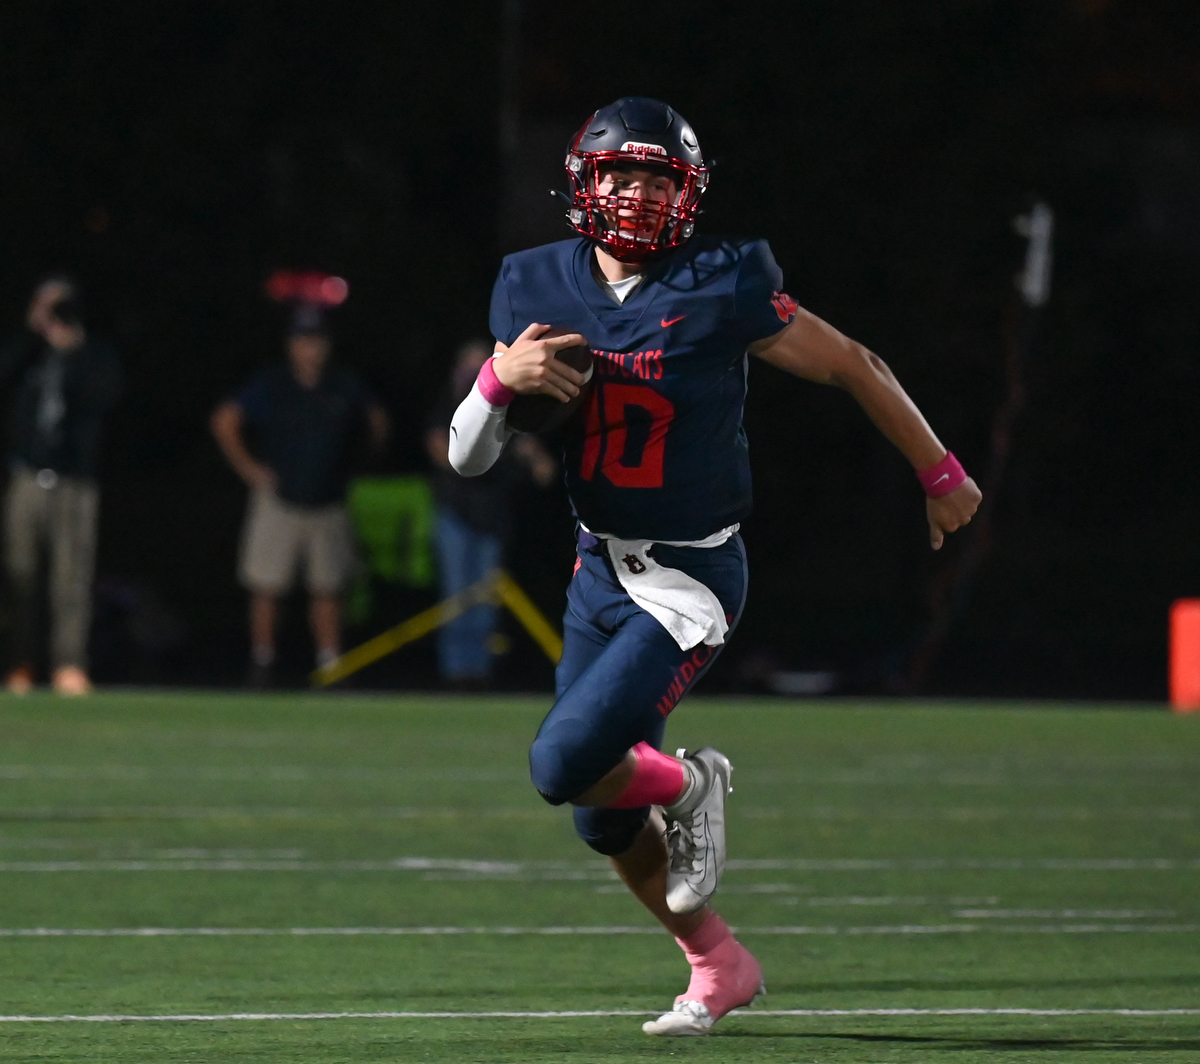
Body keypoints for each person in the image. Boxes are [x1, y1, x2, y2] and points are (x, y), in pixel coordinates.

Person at [448, 98, 983, 1036]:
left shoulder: (722, 280)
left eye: (658, 176)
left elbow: (853, 361)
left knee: (562, 761)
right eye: (621, 173)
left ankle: (693, 785)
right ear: (584, 181)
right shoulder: (533, 285)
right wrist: (499, 384)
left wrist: (939, 470)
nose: (637, 192)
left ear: (686, 192)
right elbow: (472, 458)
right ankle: (716, 963)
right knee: (598, 813)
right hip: (596, 571)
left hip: (690, 578)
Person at [211, 306, 389, 684]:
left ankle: (330, 663)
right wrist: (250, 469)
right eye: (303, 340)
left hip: (327, 498)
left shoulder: (343, 384)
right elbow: (225, 421)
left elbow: (376, 424)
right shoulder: (272, 383)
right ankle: (262, 661)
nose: (311, 348)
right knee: (267, 585)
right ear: (291, 345)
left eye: (318, 341)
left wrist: (356, 466)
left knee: (328, 587)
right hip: (280, 499)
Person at [0, 277, 122, 695]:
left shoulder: (93, 353)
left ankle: (68, 664)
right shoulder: (29, 353)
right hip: (28, 478)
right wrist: (33, 333)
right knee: (20, 576)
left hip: (75, 481)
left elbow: (104, 397)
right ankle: (19, 663)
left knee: (71, 579)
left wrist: (74, 348)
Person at [425, 340, 556, 686]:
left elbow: (544, 470)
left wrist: (530, 456)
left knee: (486, 602)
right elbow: (440, 447)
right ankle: (454, 674)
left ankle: (479, 674)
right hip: (456, 512)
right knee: (456, 597)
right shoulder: (450, 405)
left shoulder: (508, 409)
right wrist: (472, 457)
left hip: (493, 518)